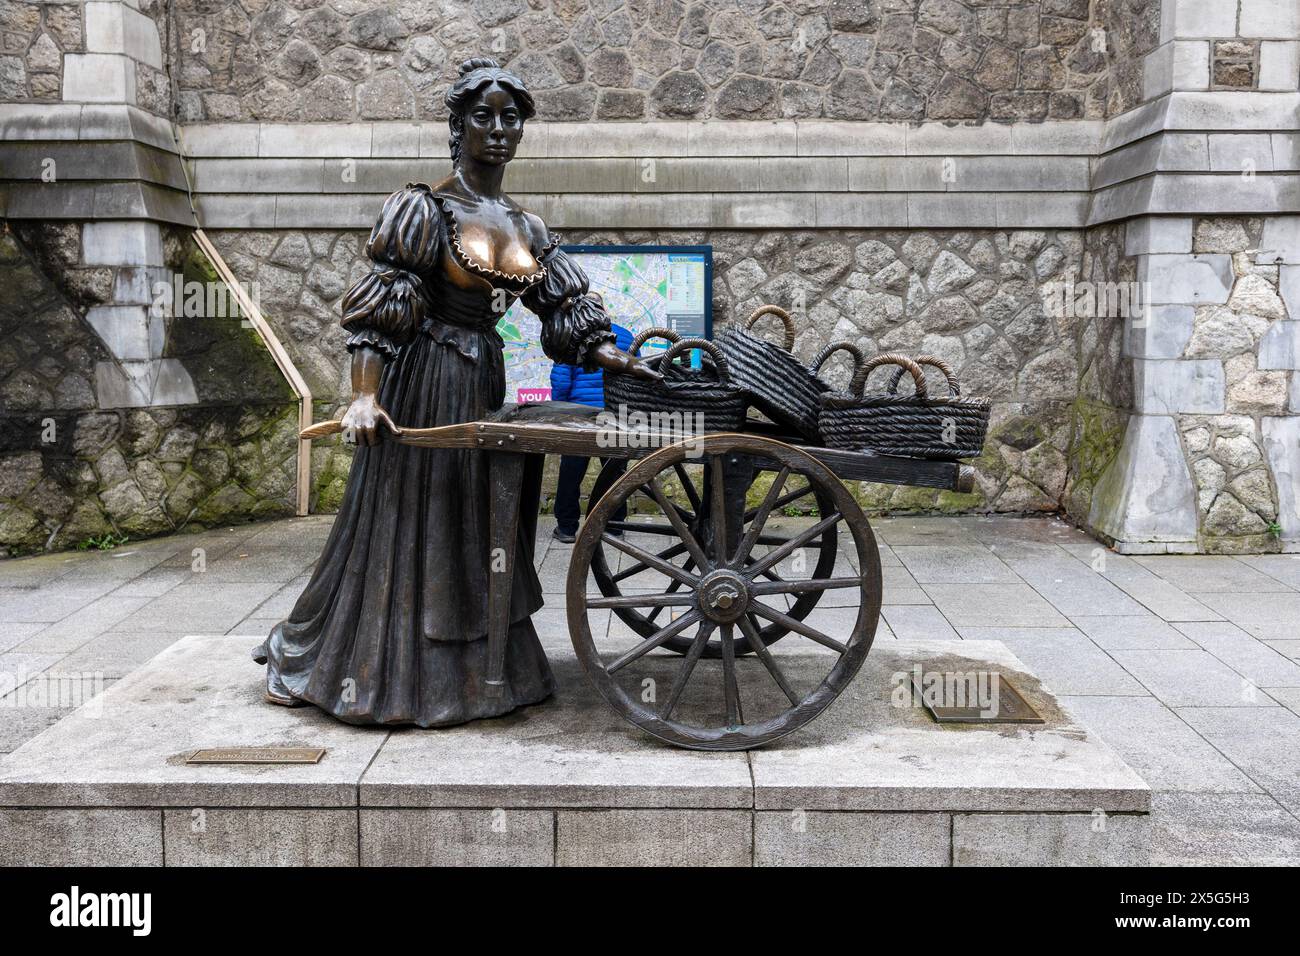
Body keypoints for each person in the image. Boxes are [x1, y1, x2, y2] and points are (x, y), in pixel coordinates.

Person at [252, 58, 657, 727]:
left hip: (482, 378)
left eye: (511, 117)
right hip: (423, 383)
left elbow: (564, 310)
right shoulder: (423, 208)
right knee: (420, 524)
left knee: (479, 521)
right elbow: (380, 311)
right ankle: (392, 673)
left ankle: (484, 668)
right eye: (483, 115)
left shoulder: (525, 226)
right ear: (457, 125)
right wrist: (362, 394)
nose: (498, 130)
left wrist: (607, 351)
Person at [549, 322, 632, 543]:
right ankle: (614, 525)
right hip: (614, 414)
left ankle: (566, 528)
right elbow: (633, 375)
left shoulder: (573, 336)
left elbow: (561, 380)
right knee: (613, 472)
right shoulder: (625, 335)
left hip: (580, 415)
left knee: (571, 473)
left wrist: (561, 410)